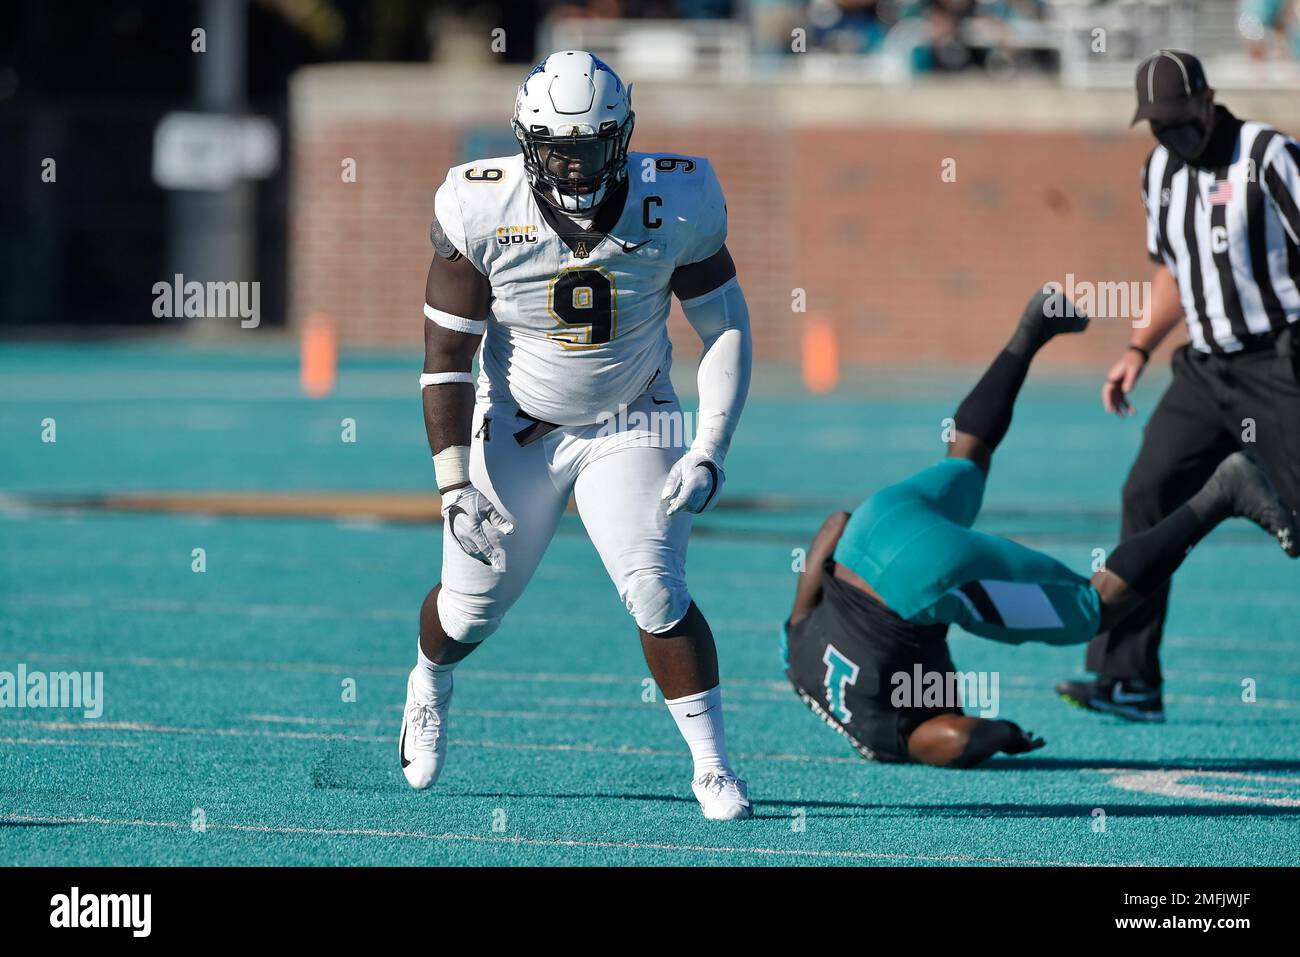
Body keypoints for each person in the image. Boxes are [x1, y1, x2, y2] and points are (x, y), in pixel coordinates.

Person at [400, 51, 754, 819]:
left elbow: (724, 325)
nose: (570, 163)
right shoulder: (480, 206)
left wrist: (710, 449)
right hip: (517, 424)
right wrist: (453, 483)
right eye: (555, 146)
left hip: (634, 414)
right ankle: (429, 678)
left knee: (656, 587)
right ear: (527, 142)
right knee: (469, 613)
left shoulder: (676, 197)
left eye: (589, 146)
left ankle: (713, 765)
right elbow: (446, 357)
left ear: (622, 138)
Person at [783, 290, 1297, 767]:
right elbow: (835, 523)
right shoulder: (797, 660)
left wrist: (1002, 734)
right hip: (876, 524)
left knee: (1092, 609)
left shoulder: (888, 735)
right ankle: (1030, 334)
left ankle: (1223, 492)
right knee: (966, 458)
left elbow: (959, 738)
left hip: (927, 581)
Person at [1058, 50, 1300, 721]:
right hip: (1206, 369)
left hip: (1280, 366)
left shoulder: (1267, 154)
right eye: (1159, 126)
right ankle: (1129, 677)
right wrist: (1138, 345)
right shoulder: (1160, 171)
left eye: (1181, 122)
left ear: (1208, 99)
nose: (1173, 137)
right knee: (1148, 489)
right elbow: (1173, 270)